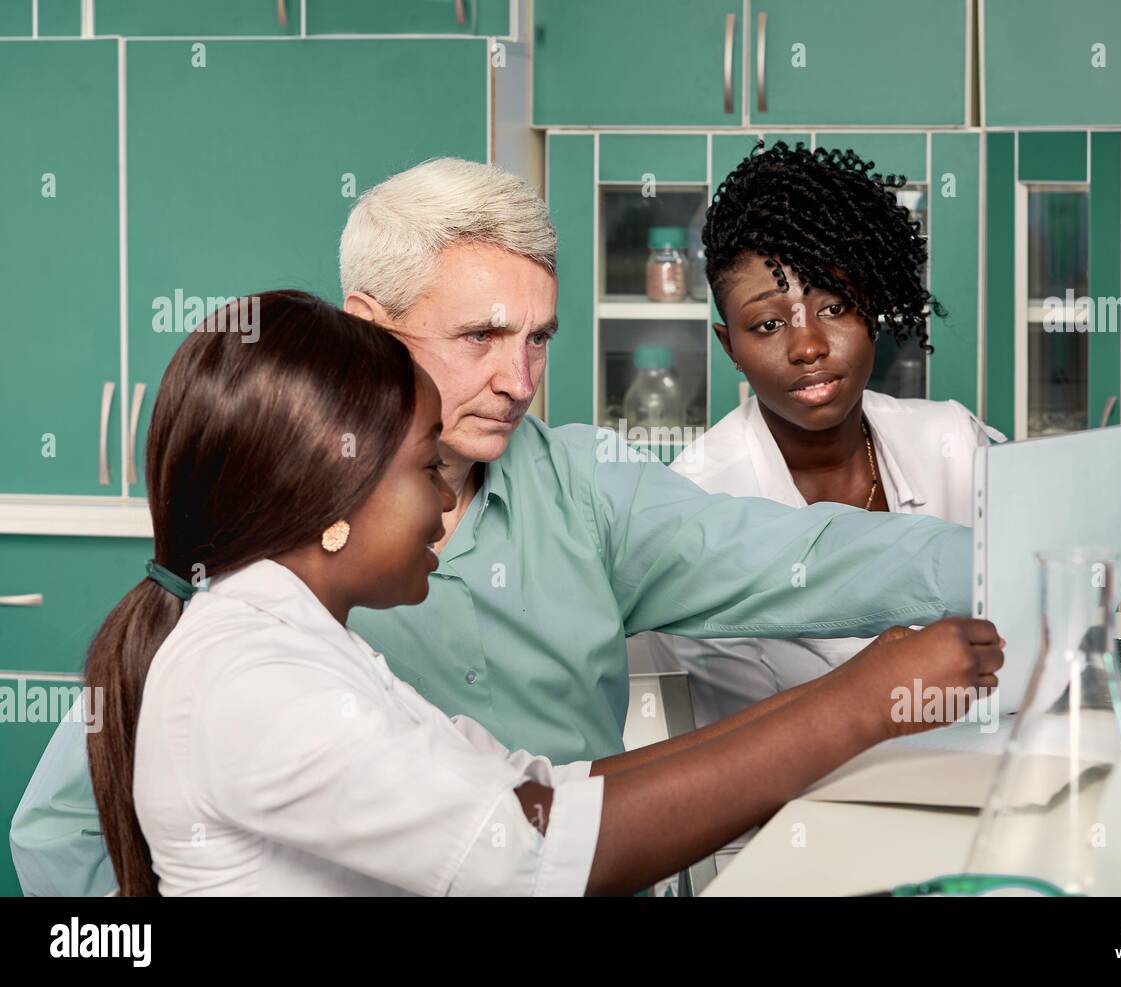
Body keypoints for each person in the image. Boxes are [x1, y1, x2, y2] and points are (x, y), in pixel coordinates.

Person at [12, 158, 975, 896]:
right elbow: (61, 836)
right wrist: (864, 701)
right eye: (480, 337)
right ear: (368, 329)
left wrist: (1002, 567)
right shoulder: (261, 600)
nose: (520, 382)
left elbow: (796, 561)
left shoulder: (580, 491)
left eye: (539, 339)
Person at [643, 142, 1005, 725]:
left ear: (872, 308)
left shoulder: (955, 443)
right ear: (729, 345)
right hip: (803, 807)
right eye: (767, 324)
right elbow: (749, 738)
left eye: (834, 308)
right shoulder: (698, 507)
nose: (808, 346)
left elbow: (1048, 600)